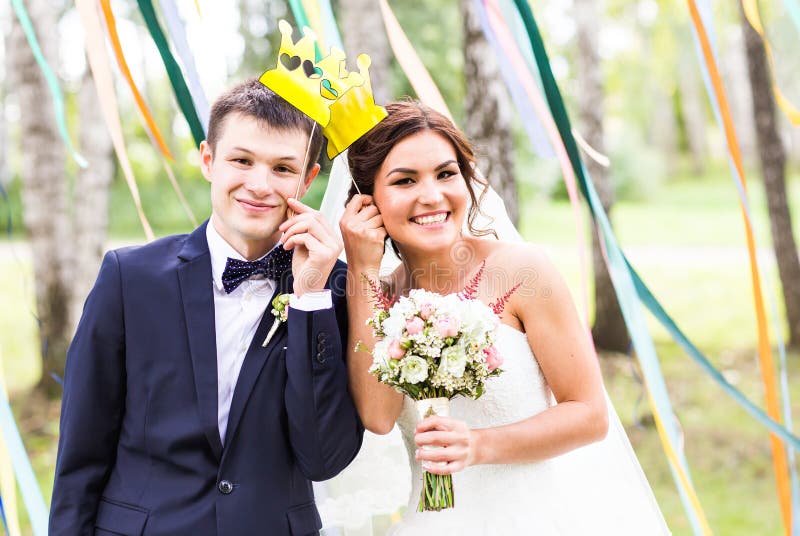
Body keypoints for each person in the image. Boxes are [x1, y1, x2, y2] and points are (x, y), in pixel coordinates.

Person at [338, 101, 670, 534]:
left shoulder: (522, 272)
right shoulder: (374, 296)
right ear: (368, 201)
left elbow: (589, 413)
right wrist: (362, 268)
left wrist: (478, 445)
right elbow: (378, 417)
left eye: (445, 173)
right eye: (405, 180)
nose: (432, 196)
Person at [49, 79, 363, 535]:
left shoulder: (333, 290)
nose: (259, 185)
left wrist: (308, 295)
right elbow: (81, 452)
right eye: (241, 160)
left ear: (308, 178)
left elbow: (323, 457)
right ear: (208, 160)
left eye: (282, 168)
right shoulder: (128, 278)